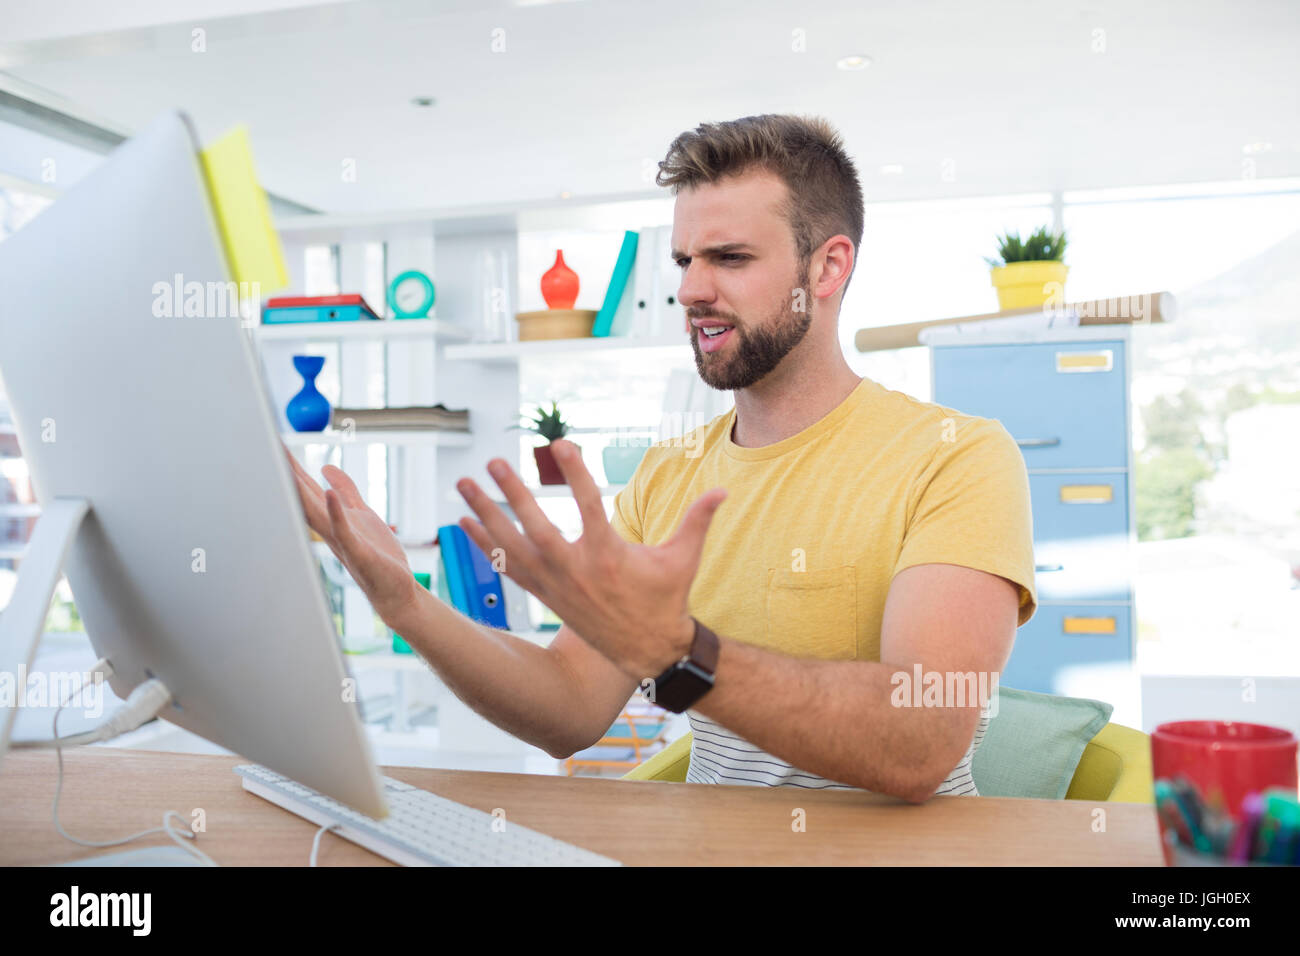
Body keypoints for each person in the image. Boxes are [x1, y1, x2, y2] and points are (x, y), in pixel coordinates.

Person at [287, 113, 1037, 802]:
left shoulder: (958, 458)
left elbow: (922, 742)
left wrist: (680, 654)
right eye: (684, 260)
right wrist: (404, 605)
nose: (690, 290)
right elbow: (570, 705)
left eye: (730, 258)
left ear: (828, 269)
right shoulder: (667, 476)